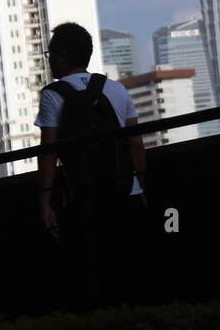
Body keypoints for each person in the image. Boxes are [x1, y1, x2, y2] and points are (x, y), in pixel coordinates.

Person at [35, 22, 148, 307]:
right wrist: (141, 185)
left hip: (87, 199)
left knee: (94, 275)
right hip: (127, 192)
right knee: (133, 271)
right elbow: (136, 143)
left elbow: (48, 151)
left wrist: (45, 201)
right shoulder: (115, 88)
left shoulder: (52, 95)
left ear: (62, 56)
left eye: (50, 56)